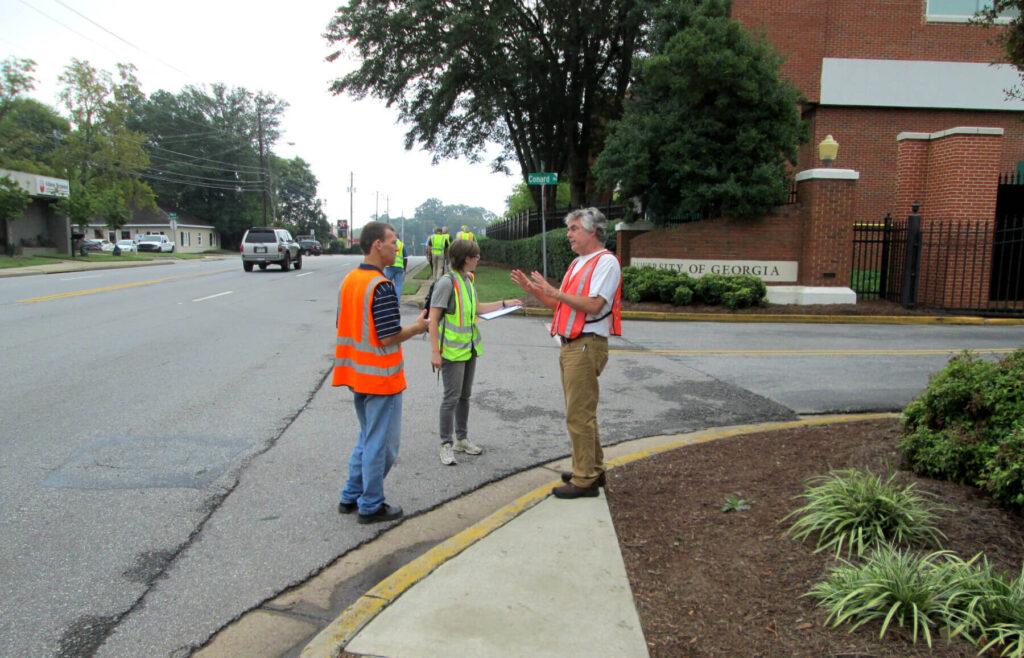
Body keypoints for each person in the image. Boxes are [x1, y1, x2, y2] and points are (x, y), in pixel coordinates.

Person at [511, 208, 621, 499]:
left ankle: (585, 479)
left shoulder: (606, 262)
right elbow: (561, 305)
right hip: (572, 344)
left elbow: (594, 305)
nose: (568, 234)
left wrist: (555, 292)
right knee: (583, 413)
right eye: (569, 228)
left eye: (574, 228)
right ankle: (592, 469)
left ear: (593, 230)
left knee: (578, 415)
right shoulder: (578, 262)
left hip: (586, 344)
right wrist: (535, 290)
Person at [334, 221, 429, 524]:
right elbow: (388, 337)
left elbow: (343, 324)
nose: (397, 247)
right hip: (380, 378)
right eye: (392, 241)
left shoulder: (350, 280)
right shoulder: (381, 285)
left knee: (367, 437)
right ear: (377, 244)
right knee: (383, 446)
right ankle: (371, 504)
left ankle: (351, 495)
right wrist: (418, 327)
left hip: (356, 375)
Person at [429, 239, 522, 465]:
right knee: (451, 398)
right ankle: (446, 444)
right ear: (465, 259)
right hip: (451, 351)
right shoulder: (446, 283)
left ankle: (461, 439)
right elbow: (432, 319)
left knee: (464, 396)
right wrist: (435, 352)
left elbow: (478, 308)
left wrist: (505, 303)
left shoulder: (468, 279)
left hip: (469, 348)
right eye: (475, 256)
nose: (478, 259)